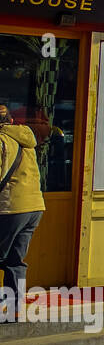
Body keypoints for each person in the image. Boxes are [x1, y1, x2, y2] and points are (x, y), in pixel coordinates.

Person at [0, 104, 44, 322]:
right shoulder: (26, 139)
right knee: (15, 261)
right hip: (34, 207)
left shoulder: (2, 141)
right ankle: (13, 310)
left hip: (11, 208)